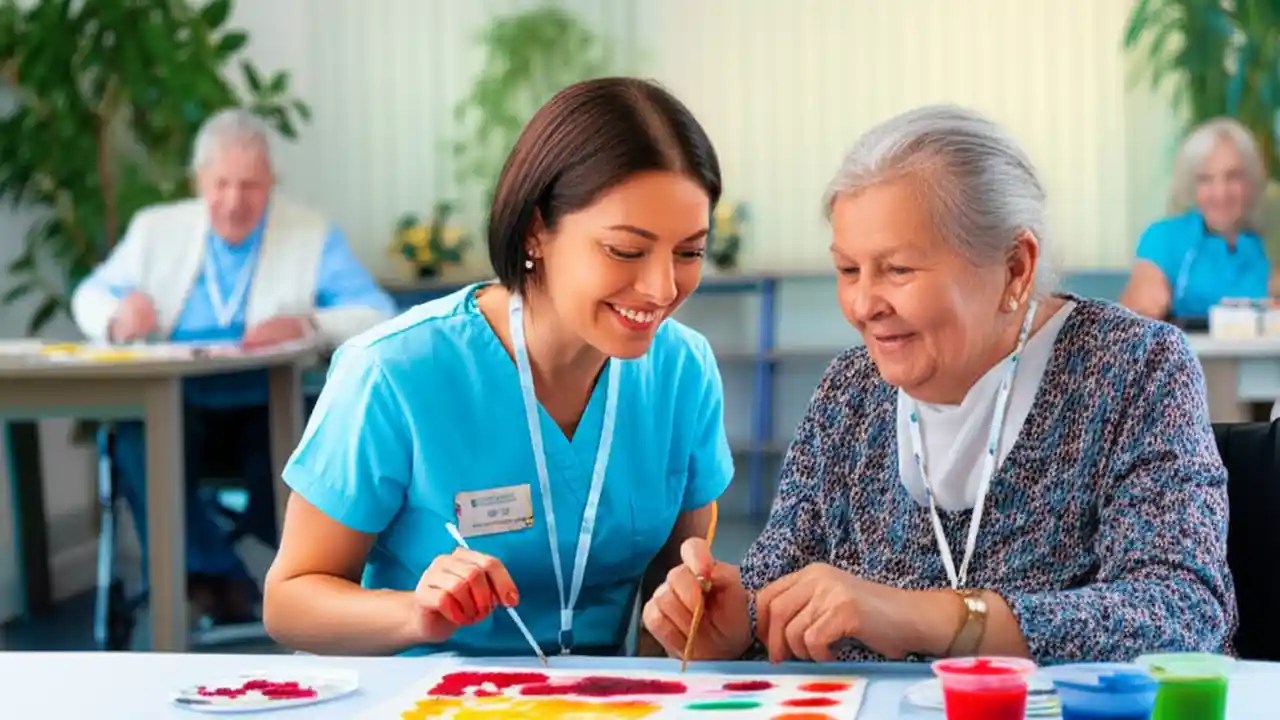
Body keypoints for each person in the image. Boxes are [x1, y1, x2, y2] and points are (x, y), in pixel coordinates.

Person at [643, 105, 1236, 666]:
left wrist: (914, 615)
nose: (863, 305)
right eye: (848, 270)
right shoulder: (850, 390)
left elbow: (1180, 614)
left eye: (897, 269)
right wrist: (740, 622)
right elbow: (777, 580)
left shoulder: (1135, 367)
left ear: (1015, 267)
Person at [262, 77, 734, 657]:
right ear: (538, 229)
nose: (662, 288)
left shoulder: (683, 372)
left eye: (688, 252)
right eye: (626, 251)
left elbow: (676, 608)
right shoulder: (393, 372)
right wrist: (413, 613)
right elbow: (288, 601)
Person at [71, 108, 396, 624]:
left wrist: (308, 323)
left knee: (307, 446)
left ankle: (287, 582)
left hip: (267, 402)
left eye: (250, 186)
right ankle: (218, 579)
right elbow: (90, 294)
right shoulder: (157, 229)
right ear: (199, 180)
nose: (234, 201)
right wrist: (117, 315)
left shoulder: (309, 233)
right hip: (176, 401)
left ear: (271, 184)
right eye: (221, 183)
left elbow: (376, 313)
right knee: (133, 435)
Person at [1121, 117, 1275, 321]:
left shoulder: (1264, 244)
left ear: (1250, 181)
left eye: (1232, 177)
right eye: (1205, 179)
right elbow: (1136, 311)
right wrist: (1144, 297)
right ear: (1192, 186)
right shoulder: (1164, 238)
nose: (1220, 194)